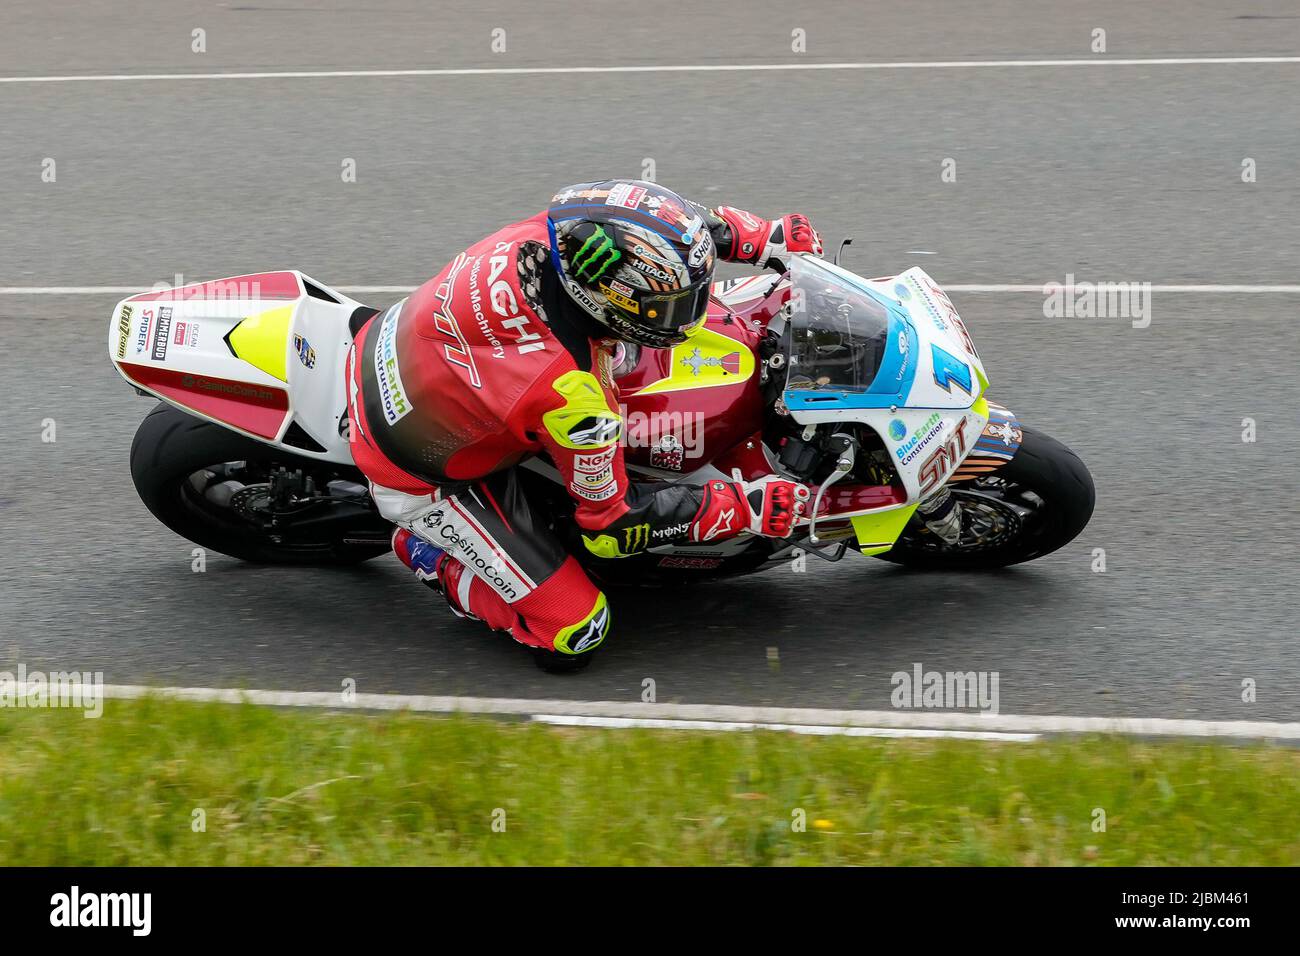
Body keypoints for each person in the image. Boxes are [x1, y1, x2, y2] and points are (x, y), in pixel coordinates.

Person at [346, 180, 820, 670]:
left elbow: (660, 220)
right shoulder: (574, 397)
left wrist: (760, 237)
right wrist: (740, 507)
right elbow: (611, 527)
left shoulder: (558, 229)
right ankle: (423, 550)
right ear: (607, 299)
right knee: (576, 631)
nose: (688, 318)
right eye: (670, 306)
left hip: (394, 347)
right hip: (417, 467)